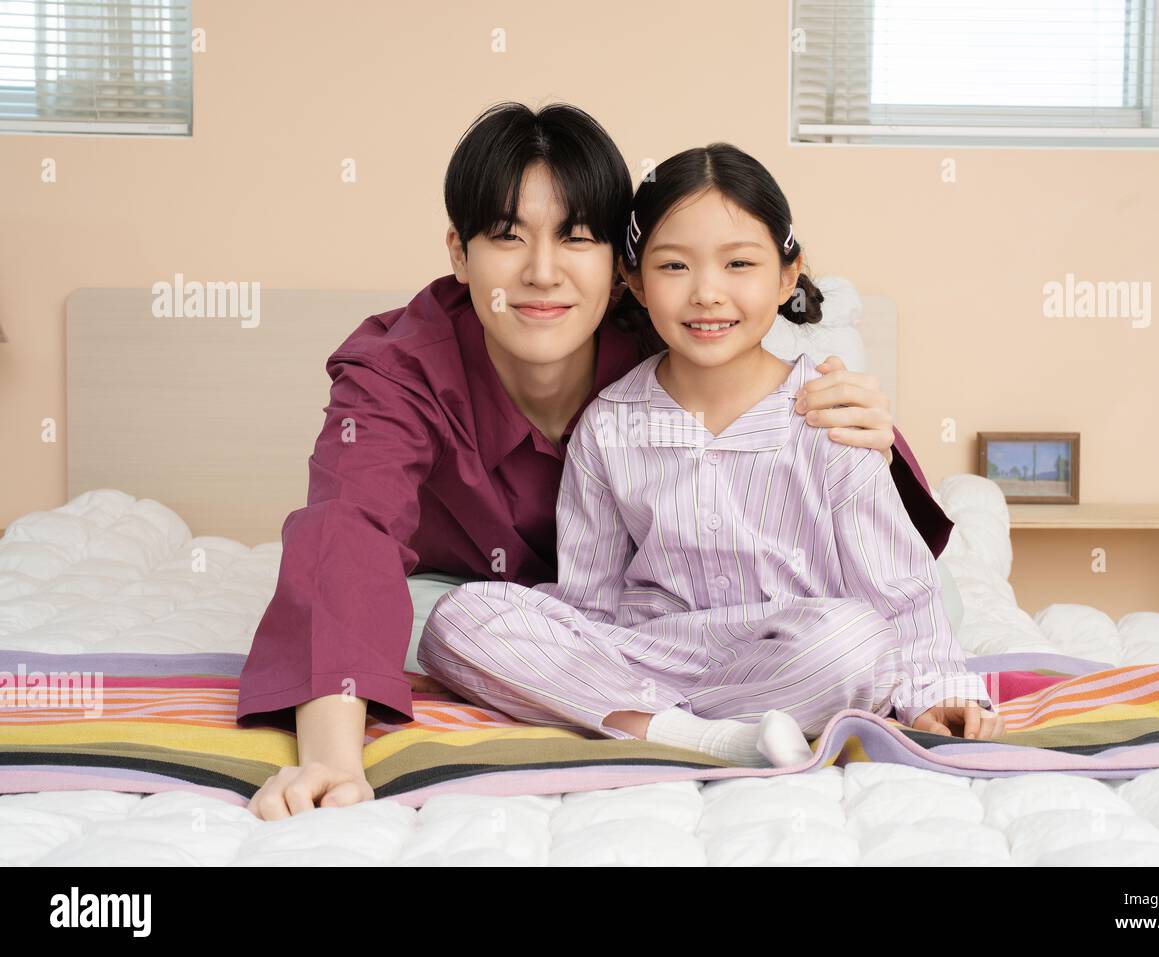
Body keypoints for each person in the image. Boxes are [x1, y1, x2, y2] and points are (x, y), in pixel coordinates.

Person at [239, 103, 955, 819]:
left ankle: (692, 713)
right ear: (459, 253)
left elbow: (846, 496)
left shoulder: (683, 333)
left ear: (620, 267)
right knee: (448, 622)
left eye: (577, 237)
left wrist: (866, 423)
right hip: (585, 630)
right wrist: (331, 761)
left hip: (735, 633)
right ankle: (690, 730)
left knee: (878, 632)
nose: (543, 273)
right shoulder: (401, 373)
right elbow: (346, 533)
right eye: (506, 237)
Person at [418, 143, 1004, 771]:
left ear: (786, 276)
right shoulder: (610, 424)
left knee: (857, 641)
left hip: (787, 651)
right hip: (643, 652)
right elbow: (588, 602)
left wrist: (940, 689)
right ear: (634, 281)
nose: (706, 293)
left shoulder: (829, 415)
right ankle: (698, 734)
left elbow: (895, 588)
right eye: (674, 267)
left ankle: (650, 726)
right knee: (460, 614)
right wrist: (561, 654)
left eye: (739, 264)